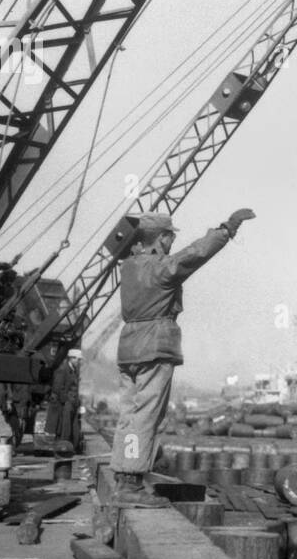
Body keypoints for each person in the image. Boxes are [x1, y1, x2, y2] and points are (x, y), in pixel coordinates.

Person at [109, 208, 255, 502]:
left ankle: (125, 475)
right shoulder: (161, 268)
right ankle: (131, 484)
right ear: (162, 238)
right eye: (170, 237)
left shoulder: (129, 266)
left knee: (130, 414)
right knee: (146, 416)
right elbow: (195, 254)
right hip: (153, 347)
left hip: (128, 349)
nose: (172, 242)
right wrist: (226, 229)